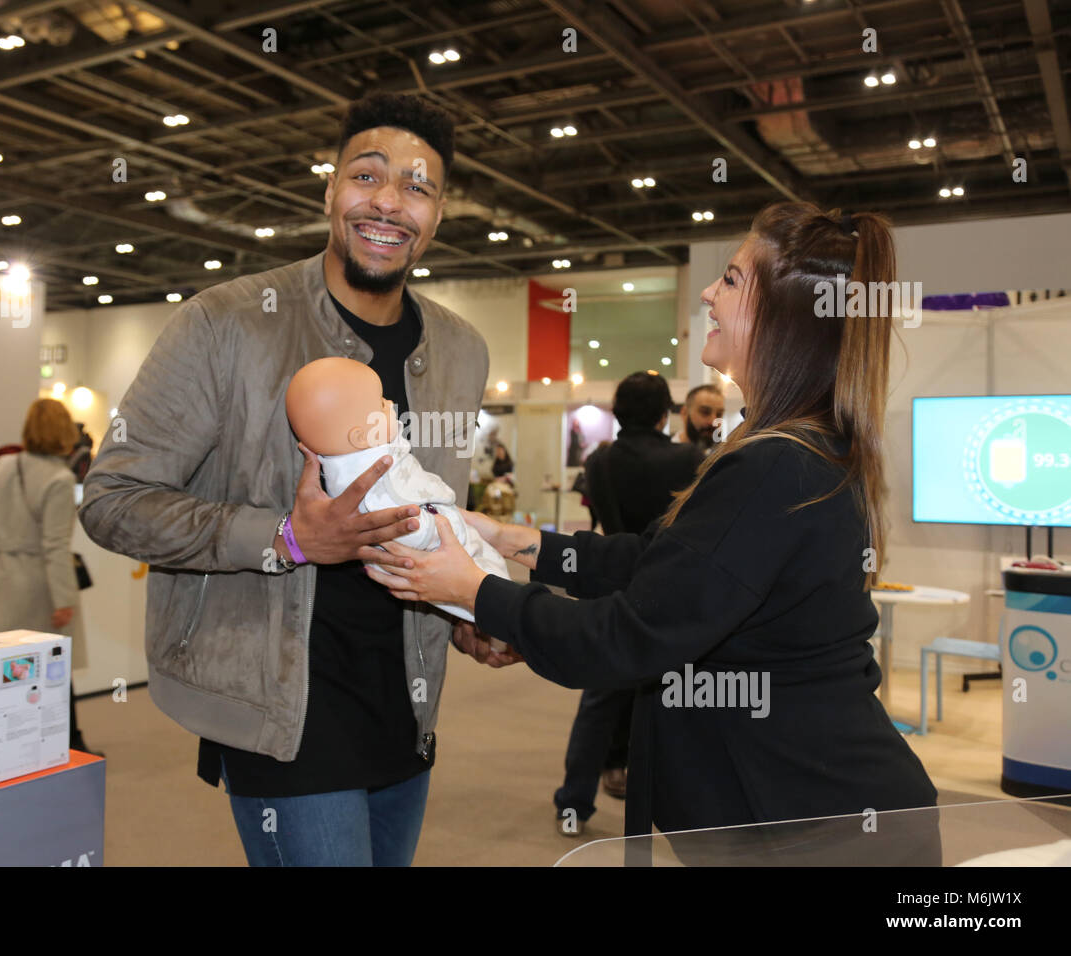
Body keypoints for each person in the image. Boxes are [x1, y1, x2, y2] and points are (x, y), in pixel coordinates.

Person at [366, 203, 940, 848]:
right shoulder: (786, 448)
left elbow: (630, 634)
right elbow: (664, 568)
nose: (707, 293)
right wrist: (512, 542)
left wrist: (473, 591)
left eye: (729, 279)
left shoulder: (778, 465)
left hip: (815, 827)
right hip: (804, 813)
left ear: (784, 317)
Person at [80, 93, 504, 867]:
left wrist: (463, 606)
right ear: (330, 190)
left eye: (417, 186)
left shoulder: (461, 350)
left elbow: (433, 510)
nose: (387, 201)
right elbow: (112, 501)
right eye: (366, 175)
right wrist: (287, 537)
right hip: (280, 708)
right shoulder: (225, 325)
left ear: (439, 214)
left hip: (406, 699)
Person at [554, 372, 702, 835]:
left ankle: (573, 804)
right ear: (666, 413)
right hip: (671, 593)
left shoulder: (599, 461)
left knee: (599, 704)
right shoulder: (690, 459)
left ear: (617, 412)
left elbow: (601, 524)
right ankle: (680, 815)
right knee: (676, 704)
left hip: (612, 587)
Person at [0, 399, 95, 755]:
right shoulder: (59, 479)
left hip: (1, 576)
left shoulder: (3, 466)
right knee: (53, 667)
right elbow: (55, 546)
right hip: (38, 584)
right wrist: (65, 599)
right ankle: (68, 743)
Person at [671, 383, 725, 450]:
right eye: (705, 412)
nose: (713, 421)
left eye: (719, 414)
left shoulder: (720, 456)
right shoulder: (667, 454)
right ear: (684, 413)